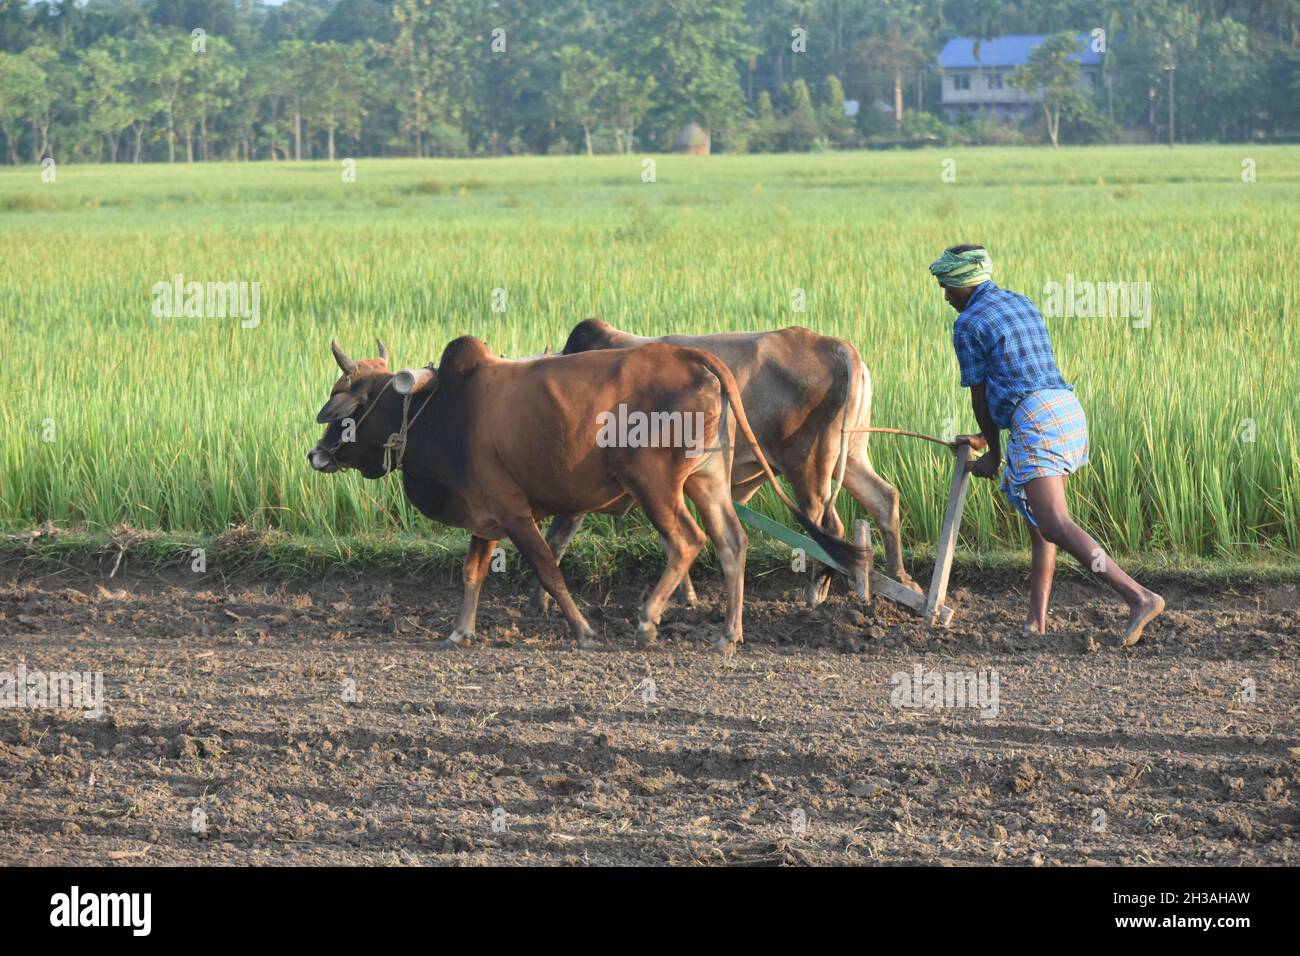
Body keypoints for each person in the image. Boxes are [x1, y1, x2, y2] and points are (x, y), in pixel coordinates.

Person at [930, 244, 1164, 646]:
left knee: (1055, 523)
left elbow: (981, 396)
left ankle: (1139, 597)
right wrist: (989, 438)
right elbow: (1019, 373)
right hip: (1064, 408)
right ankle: (1036, 623)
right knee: (1041, 526)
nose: (945, 295)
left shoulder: (968, 323)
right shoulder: (1020, 302)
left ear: (965, 284)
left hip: (1036, 419)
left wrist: (994, 454)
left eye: (947, 286)